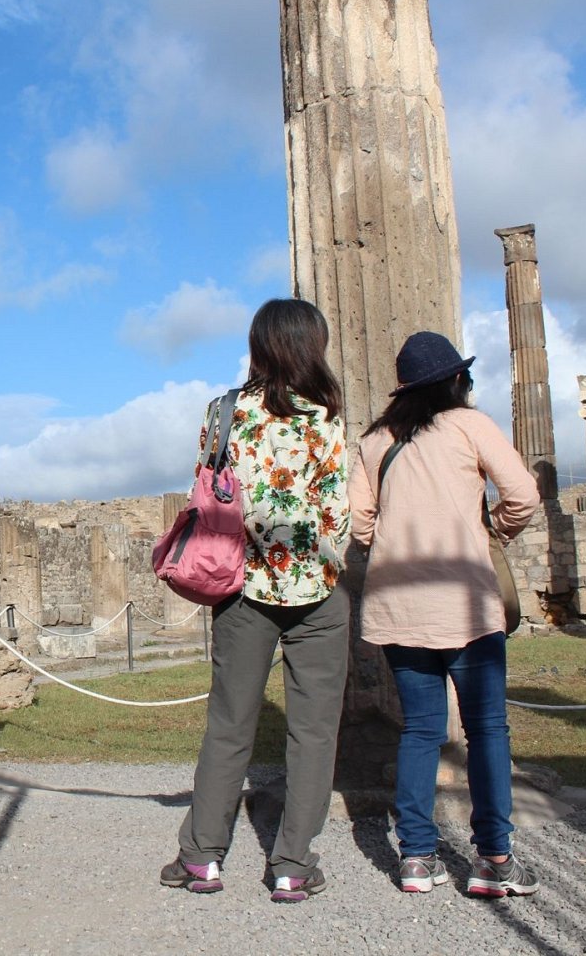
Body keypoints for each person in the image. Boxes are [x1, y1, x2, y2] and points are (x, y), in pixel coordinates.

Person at [160, 297, 350, 903]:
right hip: (316, 590)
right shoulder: (326, 418)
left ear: (260, 344)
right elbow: (338, 514)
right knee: (314, 731)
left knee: (229, 724)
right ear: (311, 346)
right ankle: (292, 865)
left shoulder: (223, 414)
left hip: (240, 588)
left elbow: (210, 494)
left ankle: (202, 859)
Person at [349, 331, 541, 898]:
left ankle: (415, 856)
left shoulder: (375, 441)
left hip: (399, 605)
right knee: (486, 730)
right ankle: (494, 859)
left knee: (420, 731)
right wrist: (489, 533)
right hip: (465, 604)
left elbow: (359, 526)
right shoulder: (470, 425)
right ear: (457, 381)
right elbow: (522, 495)